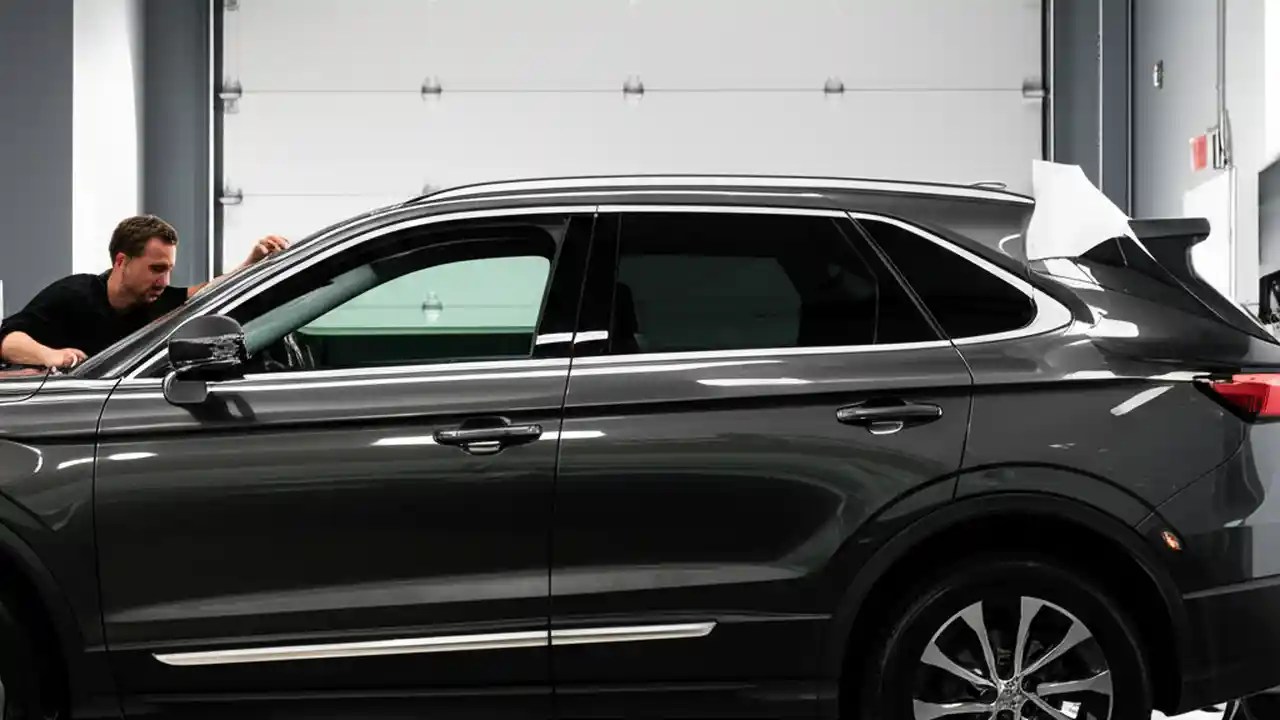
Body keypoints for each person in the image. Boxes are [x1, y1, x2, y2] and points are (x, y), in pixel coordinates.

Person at [0, 214, 288, 369]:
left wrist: (251, 263)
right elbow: (6, 338)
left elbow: (208, 293)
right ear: (121, 262)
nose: (163, 280)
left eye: (168, 270)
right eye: (156, 269)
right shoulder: (73, 294)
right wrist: (50, 356)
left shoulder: (157, 300)